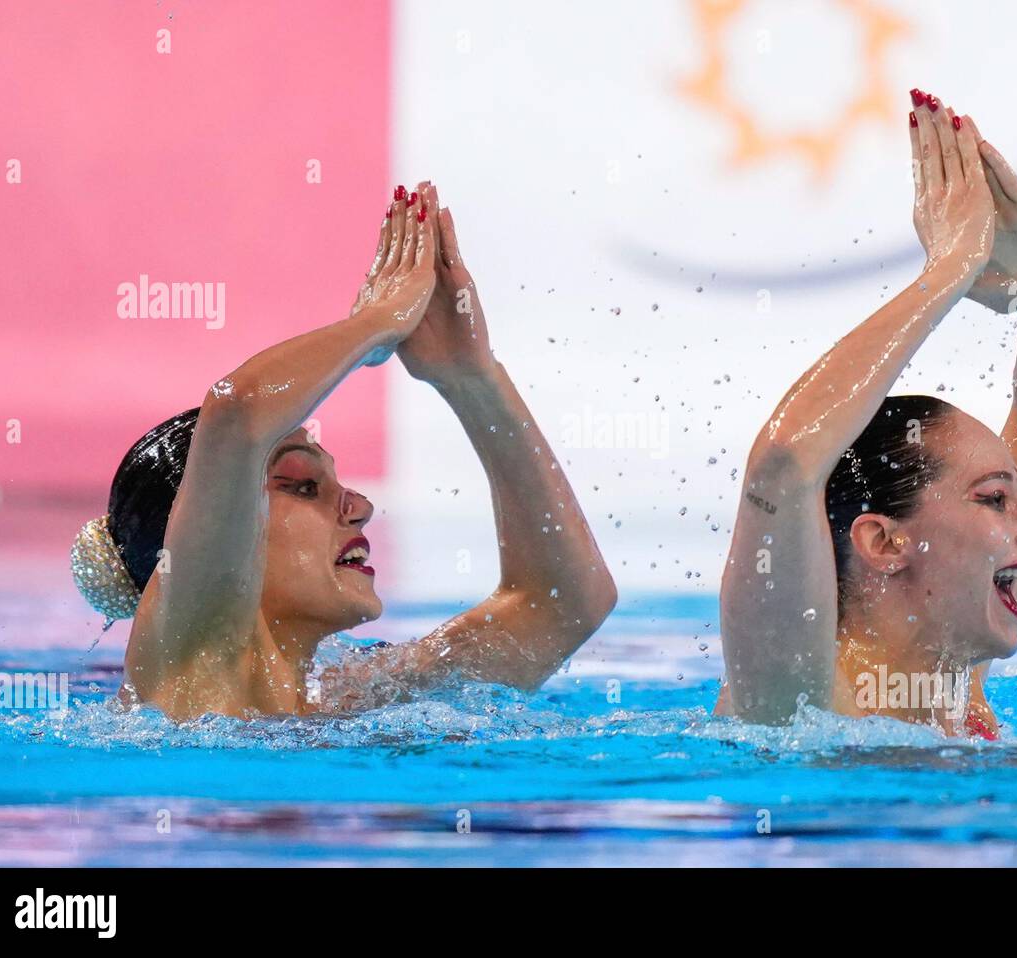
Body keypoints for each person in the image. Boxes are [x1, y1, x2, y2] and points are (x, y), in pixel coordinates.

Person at [72, 182, 617, 720]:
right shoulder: (188, 663)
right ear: (208, 532)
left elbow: (563, 603)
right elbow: (236, 412)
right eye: (302, 485)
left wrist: (471, 380)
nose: (359, 505)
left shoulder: (346, 701)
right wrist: (376, 326)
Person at [715, 91, 1017, 738]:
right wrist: (948, 270)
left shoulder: (955, 682)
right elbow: (784, 462)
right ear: (883, 543)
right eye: (993, 499)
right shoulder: (796, 693)